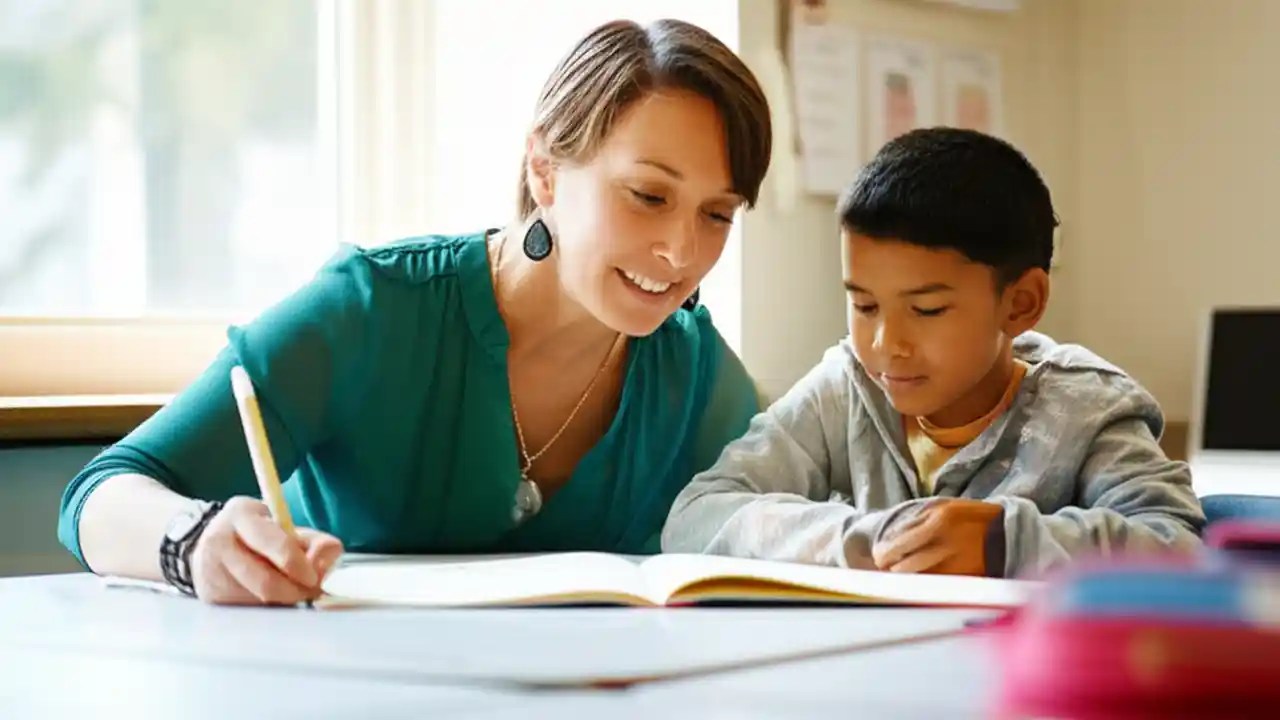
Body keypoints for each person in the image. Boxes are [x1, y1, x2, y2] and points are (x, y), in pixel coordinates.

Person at [58, 18, 772, 605]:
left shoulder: (698, 372)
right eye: (649, 196)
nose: (682, 252)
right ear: (545, 171)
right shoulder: (368, 311)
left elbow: (796, 521)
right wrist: (194, 540)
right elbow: (96, 497)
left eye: (717, 214)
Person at [662, 128, 1204, 578]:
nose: (884, 344)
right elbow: (696, 516)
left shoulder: (1088, 409)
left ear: (1021, 303)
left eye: (926, 311)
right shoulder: (845, 389)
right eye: (865, 305)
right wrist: (865, 539)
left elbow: (1179, 546)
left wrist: (1001, 542)